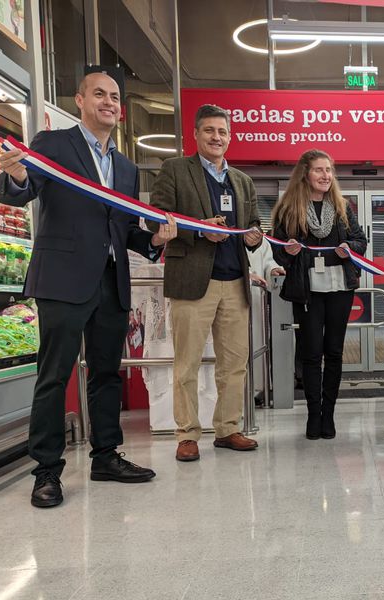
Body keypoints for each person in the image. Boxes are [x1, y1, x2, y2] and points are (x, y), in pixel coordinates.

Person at [0, 72, 177, 508]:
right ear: (80, 100)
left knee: (106, 373)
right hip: (62, 278)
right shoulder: (53, 146)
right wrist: (16, 176)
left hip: (110, 282)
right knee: (54, 375)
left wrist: (154, 240)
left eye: (114, 97)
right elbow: (21, 191)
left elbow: (125, 228)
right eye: (100, 94)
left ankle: (106, 455)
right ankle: (46, 471)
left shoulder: (126, 168)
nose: (108, 102)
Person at [147, 104, 263, 462]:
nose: (217, 137)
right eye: (210, 131)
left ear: (230, 137)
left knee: (235, 363)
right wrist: (201, 228)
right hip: (193, 280)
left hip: (234, 282)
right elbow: (157, 218)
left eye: (223, 132)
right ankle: (187, 434)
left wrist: (255, 236)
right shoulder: (175, 169)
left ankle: (228, 429)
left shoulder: (241, 181)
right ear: (195, 135)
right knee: (187, 364)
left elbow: (255, 223)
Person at [271, 149, 367, 440]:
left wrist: (350, 248)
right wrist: (286, 251)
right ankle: (313, 415)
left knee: (334, 352)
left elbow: (360, 240)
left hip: (339, 287)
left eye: (329, 170)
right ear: (305, 174)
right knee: (311, 354)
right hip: (307, 289)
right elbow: (277, 248)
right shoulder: (289, 209)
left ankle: (329, 414)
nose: (326, 175)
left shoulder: (342, 207)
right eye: (319, 170)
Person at [247, 238, 284, 406]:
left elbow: (268, 261)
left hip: (255, 300)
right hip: (231, 293)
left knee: (256, 344)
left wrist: (273, 270)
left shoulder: (259, 239)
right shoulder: (224, 234)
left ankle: (256, 391)